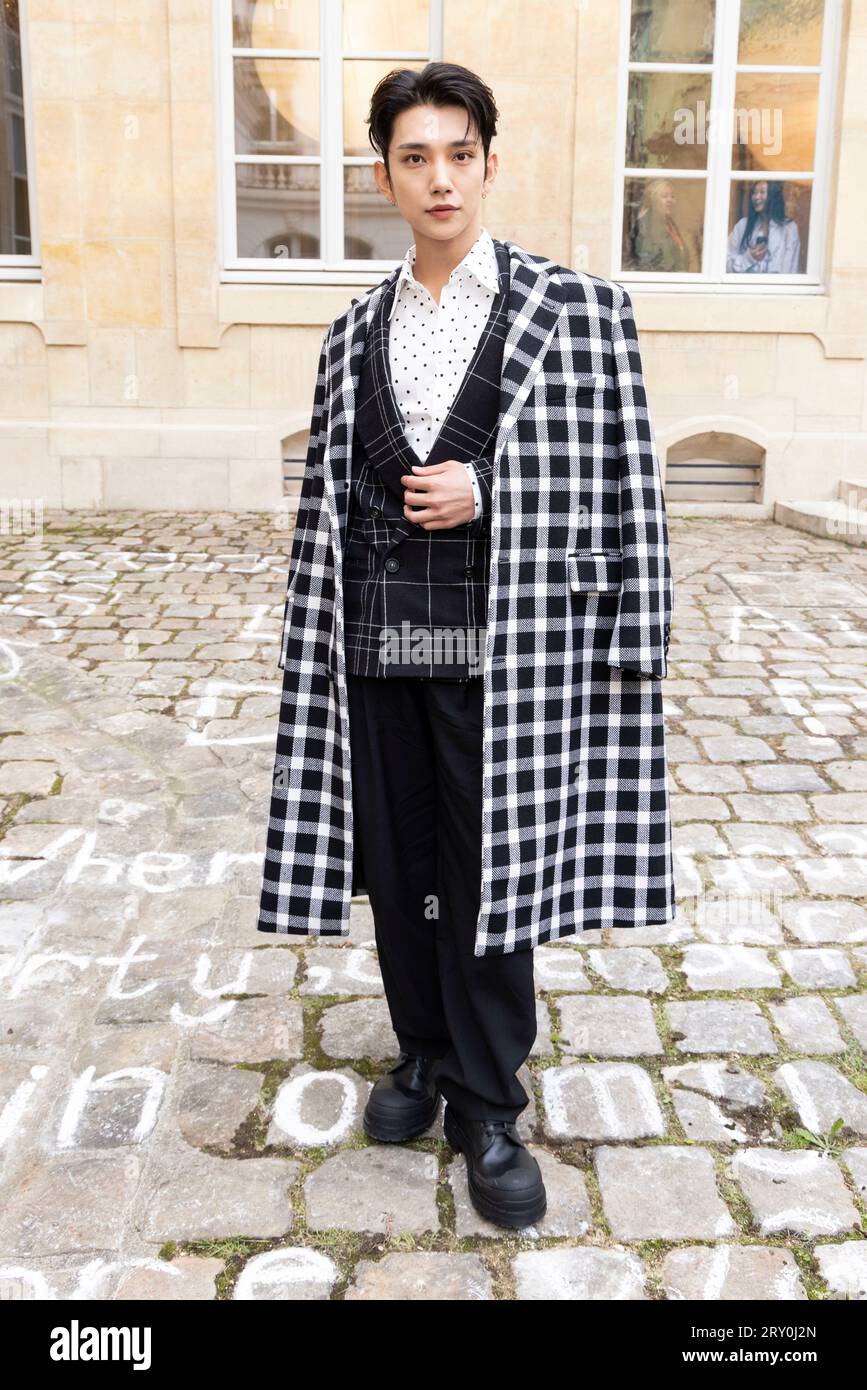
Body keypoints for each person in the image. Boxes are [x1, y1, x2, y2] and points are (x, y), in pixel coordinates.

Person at [257, 62, 675, 1231]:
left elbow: (625, 485)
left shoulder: (579, 311)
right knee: (399, 867)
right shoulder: (350, 336)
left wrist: (493, 489)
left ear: (490, 161)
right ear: (384, 173)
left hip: (514, 644)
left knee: (491, 868)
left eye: (458, 153)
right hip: (383, 637)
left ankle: (490, 1099)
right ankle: (427, 1051)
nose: (439, 177)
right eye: (413, 156)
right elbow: (326, 508)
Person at [727, 179, 801, 274]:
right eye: (754, 192)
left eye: (762, 192)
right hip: (744, 288)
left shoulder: (789, 228)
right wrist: (749, 258)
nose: (757, 197)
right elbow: (724, 263)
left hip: (777, 288)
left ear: (773, 196)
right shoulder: (742, 226)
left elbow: (791, 270)